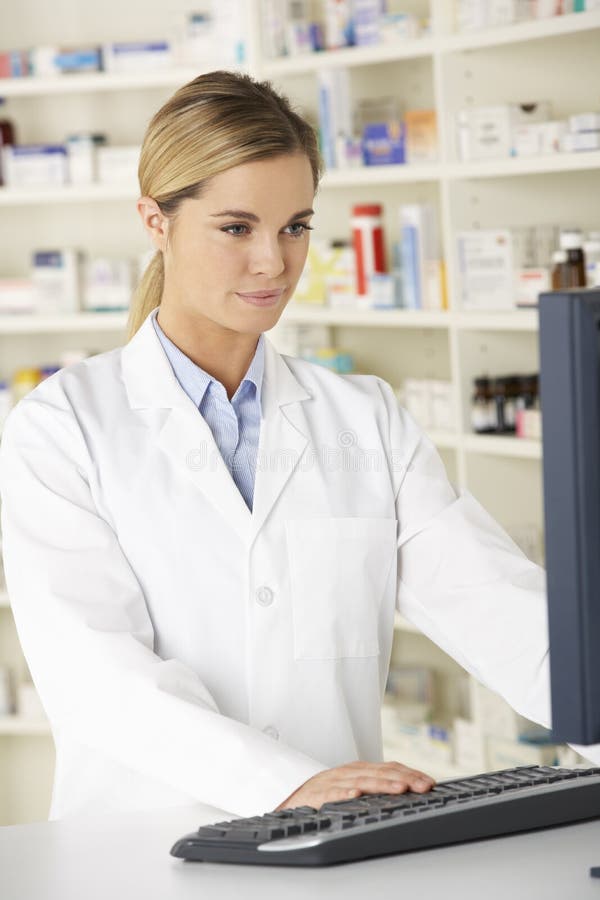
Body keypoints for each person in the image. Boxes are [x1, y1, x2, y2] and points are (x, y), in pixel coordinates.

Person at [0, 71, 592, 825]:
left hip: (330, 849)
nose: (274, 263)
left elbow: (493, 603)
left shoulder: (365, 417)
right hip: (142, 854)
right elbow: (97, 675)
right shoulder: (63, 428)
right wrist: (283, 783)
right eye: (236, 227)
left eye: (296, 226)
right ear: (155, 220)